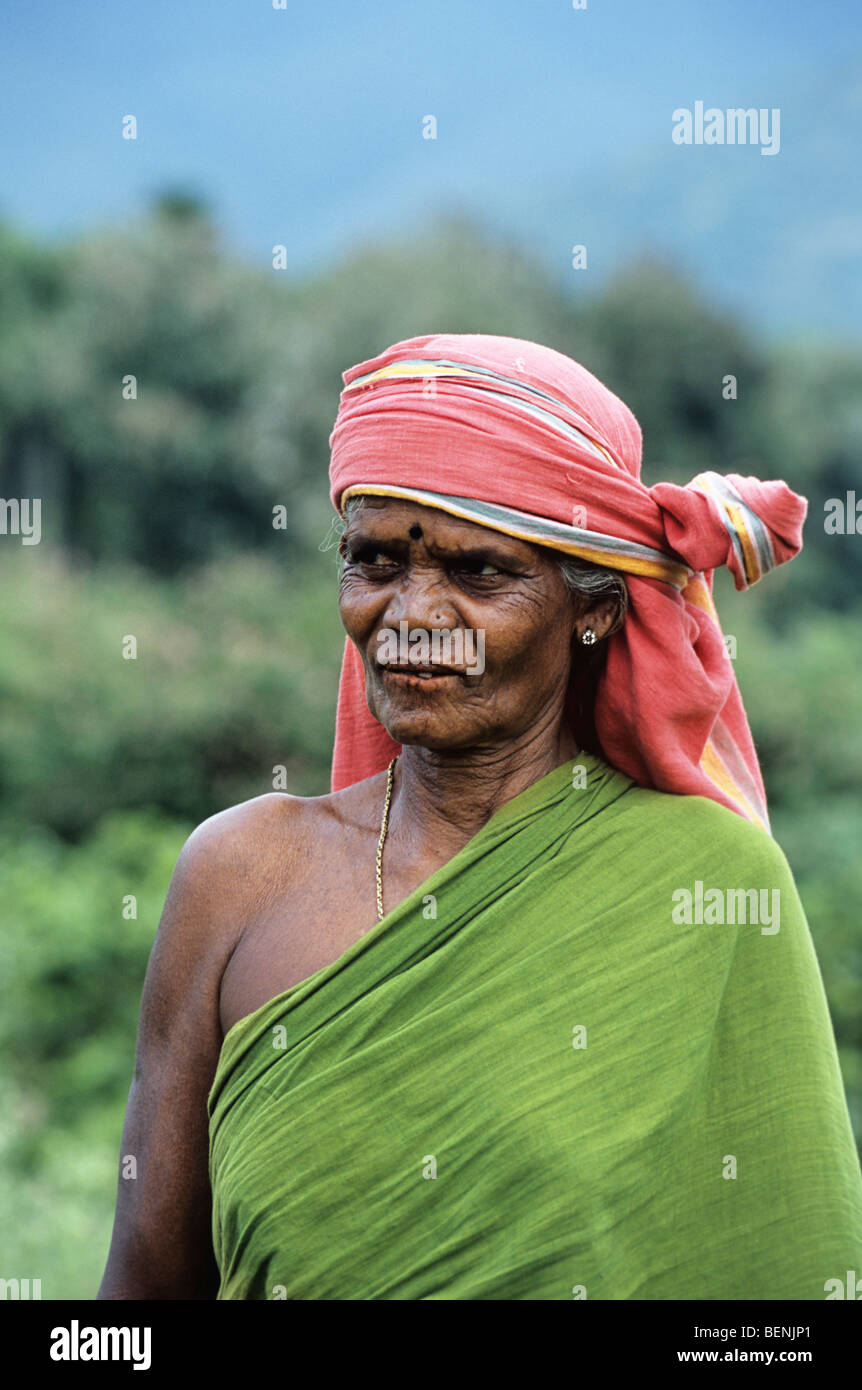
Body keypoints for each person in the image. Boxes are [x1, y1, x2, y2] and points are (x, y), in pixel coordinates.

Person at [98, 332, 862, 1301]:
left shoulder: (710, 883)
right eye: (374, 561)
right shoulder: (238, 875)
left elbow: (778, 1267)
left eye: (478, 572)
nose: (411, 612)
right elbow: (136, 1297)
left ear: (592, 605)